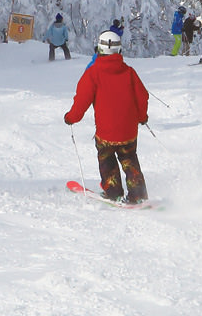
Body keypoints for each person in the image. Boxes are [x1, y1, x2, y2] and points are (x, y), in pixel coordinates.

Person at [64, 30, 151, 205]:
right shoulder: (129, 72)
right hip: (128, 131)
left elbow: (82, 99)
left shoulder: (93, 73)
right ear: (119, 50)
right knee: (129, 158)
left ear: (99, 49)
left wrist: (71, 118)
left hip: (106, 133)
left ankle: (113, 192)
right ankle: (138, 195)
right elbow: (142, 96)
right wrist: (142, 117)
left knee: (107, 159)